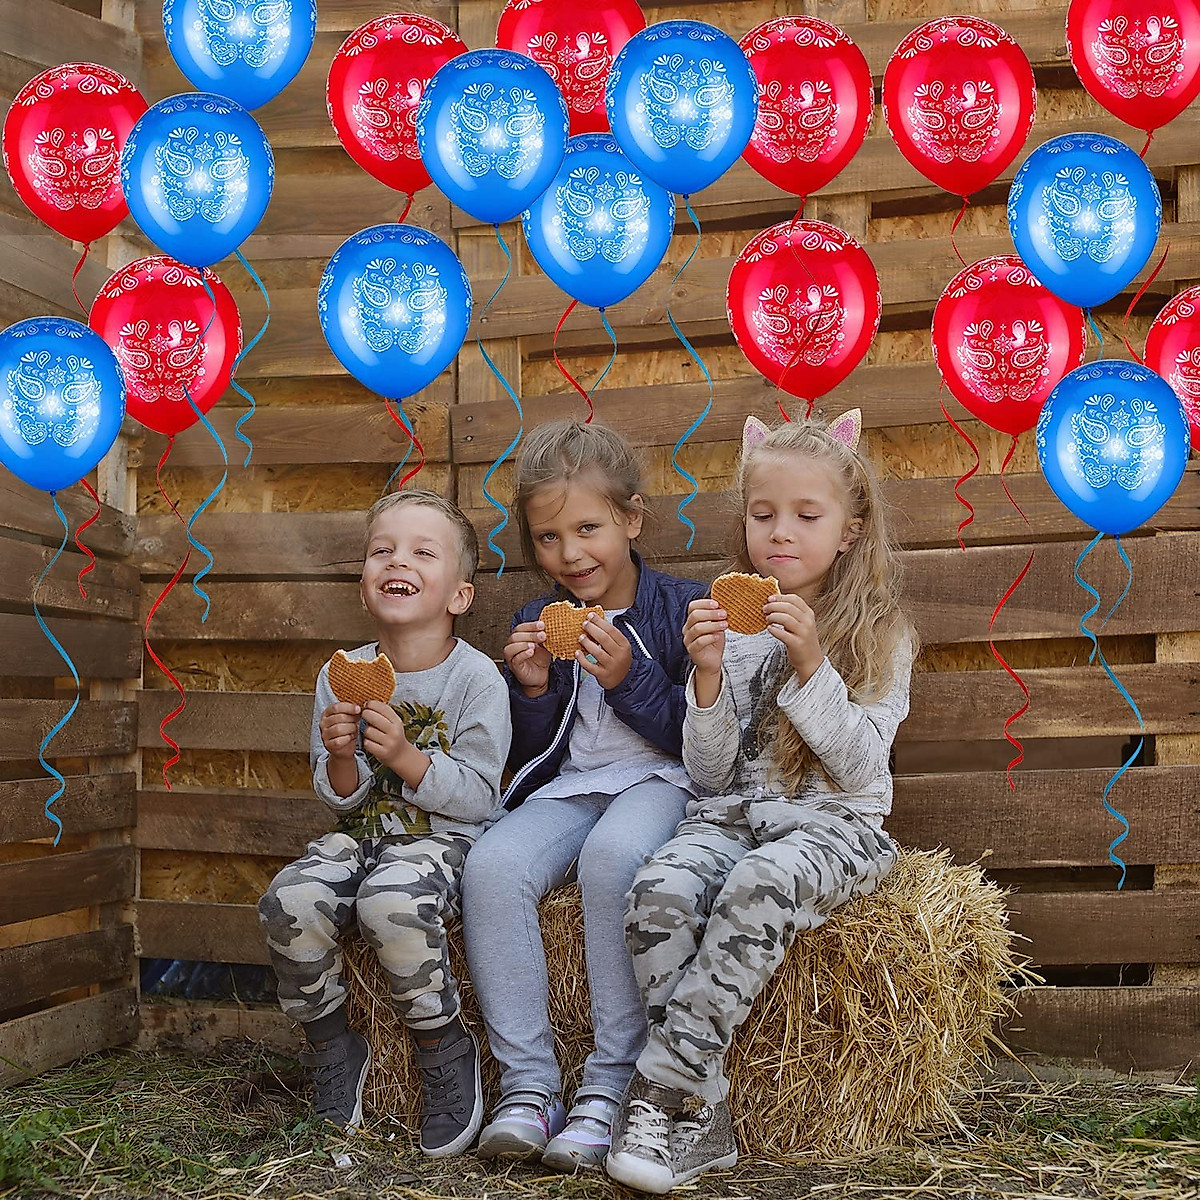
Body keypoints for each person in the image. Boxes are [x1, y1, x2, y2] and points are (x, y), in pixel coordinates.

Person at [608, 412, 917, 1192]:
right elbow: (709, 780)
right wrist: (706, 677)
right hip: (733, 816)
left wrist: (813, 663)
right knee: (659, 888)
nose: (781, 532)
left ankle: (661, 1087)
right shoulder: (731, 628)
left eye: (807, 517)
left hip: (834, 825)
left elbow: (860, 770)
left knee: (761, 884)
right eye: (762, 513)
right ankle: (703, 1122)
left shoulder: (883, 634)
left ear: (849, 530)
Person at [461, 420, 706, 1171]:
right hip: (571, 787)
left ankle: (608, 1087)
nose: (569, 555)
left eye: (588, 529)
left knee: (614, 860)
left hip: (661, 781)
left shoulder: (681, 609)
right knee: (492, 868)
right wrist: (531, 688)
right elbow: (533, 749)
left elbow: (692, 735)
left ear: (631, 519)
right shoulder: (535, 620)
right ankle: (530, 1087)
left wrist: (626, 675)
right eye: (547, 538)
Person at [258, 490, 511, 1157]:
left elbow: (483, 795)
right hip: (358, 834)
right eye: (382, 550)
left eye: (422, 552)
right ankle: (334, 1047)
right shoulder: (340, 674)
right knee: (289, 898)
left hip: (442, 841)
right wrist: (343, 754)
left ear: (459, 595)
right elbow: (338, 798)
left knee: (390, 900)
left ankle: (441, 1049)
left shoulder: (477, 678)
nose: (398, 560)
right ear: (366, 587)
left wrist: (404, 754)